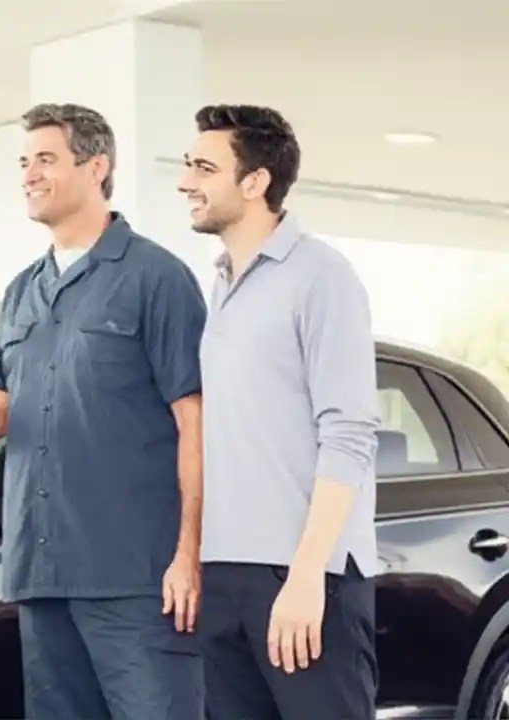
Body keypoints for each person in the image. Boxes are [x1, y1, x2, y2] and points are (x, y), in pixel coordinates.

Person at [0, 103, 208, 720]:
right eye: (24, 162)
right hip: (40, 577)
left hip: (136, 581)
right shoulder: (25, 289)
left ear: (95, 166)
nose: (28, 174)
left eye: (45, 159)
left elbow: (196, 424)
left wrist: (189, 556)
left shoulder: (157, 279)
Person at [177, 104, 380, 719]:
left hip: (301, 578)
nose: (186, 181)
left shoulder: (322, 276)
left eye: (204, 167)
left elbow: (349, 433)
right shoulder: (223, 283)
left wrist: (306, 577)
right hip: (226, 572)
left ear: (255, 181)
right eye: (189, 165)